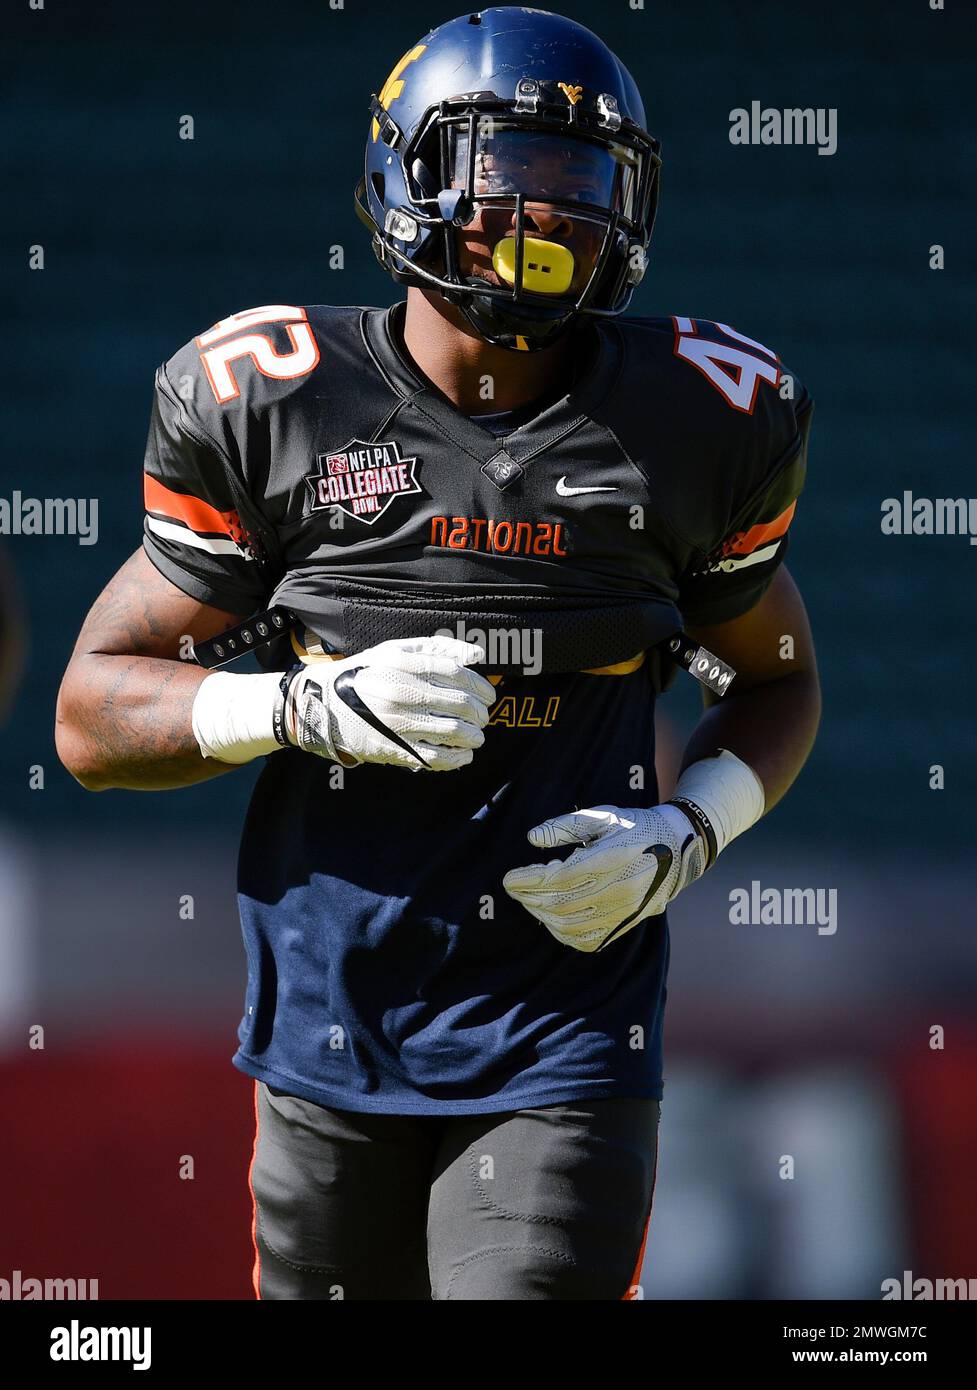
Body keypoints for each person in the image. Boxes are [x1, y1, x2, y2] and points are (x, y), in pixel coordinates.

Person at [55, 7, 820, 1300]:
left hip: (563, 1029)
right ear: (408, 175)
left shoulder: (700, 419)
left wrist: (691, 831)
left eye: (584, 180)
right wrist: (296, 708)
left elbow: (776, 674)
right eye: (511, 172)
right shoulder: (276, 401)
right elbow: (90, 718)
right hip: (325, 1025)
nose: (551, 214)